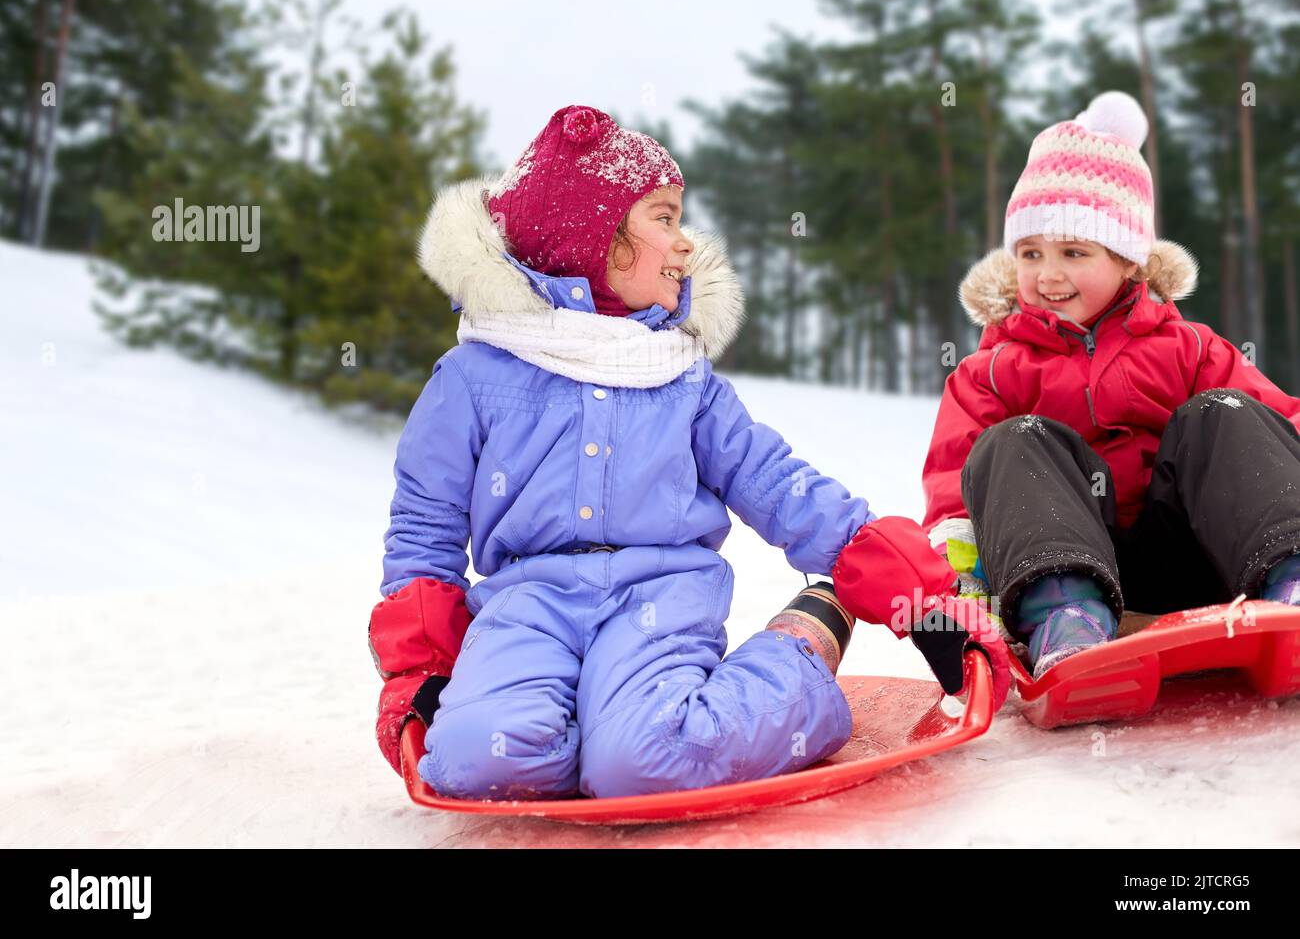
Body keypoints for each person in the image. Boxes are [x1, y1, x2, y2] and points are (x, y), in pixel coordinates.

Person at [366, 104, 988, 800]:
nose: (685, 243)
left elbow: (778, 484)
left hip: (658, 602)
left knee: (639, 763)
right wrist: (419, 672)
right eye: (663, 218)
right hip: (526, 608)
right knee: (477, 763)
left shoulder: (680, 378)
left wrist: (918, 594)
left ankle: (800, 646)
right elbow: (425, 529)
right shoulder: (475, 376)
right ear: (593, 238)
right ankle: (600, 732)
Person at [923, 91, 1300, 680]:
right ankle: (1065, 620)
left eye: (1075, 252)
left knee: (1224, 411)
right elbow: (953, 492)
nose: (1048, 275)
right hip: (1054, 564)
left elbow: (1280, 434)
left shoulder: (1191, 348)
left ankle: (1291, 577)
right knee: (1012, 441)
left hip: (1200, 558)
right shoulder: (989, 373)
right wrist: (959, 581)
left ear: (1129, 261)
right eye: (1030, 252)